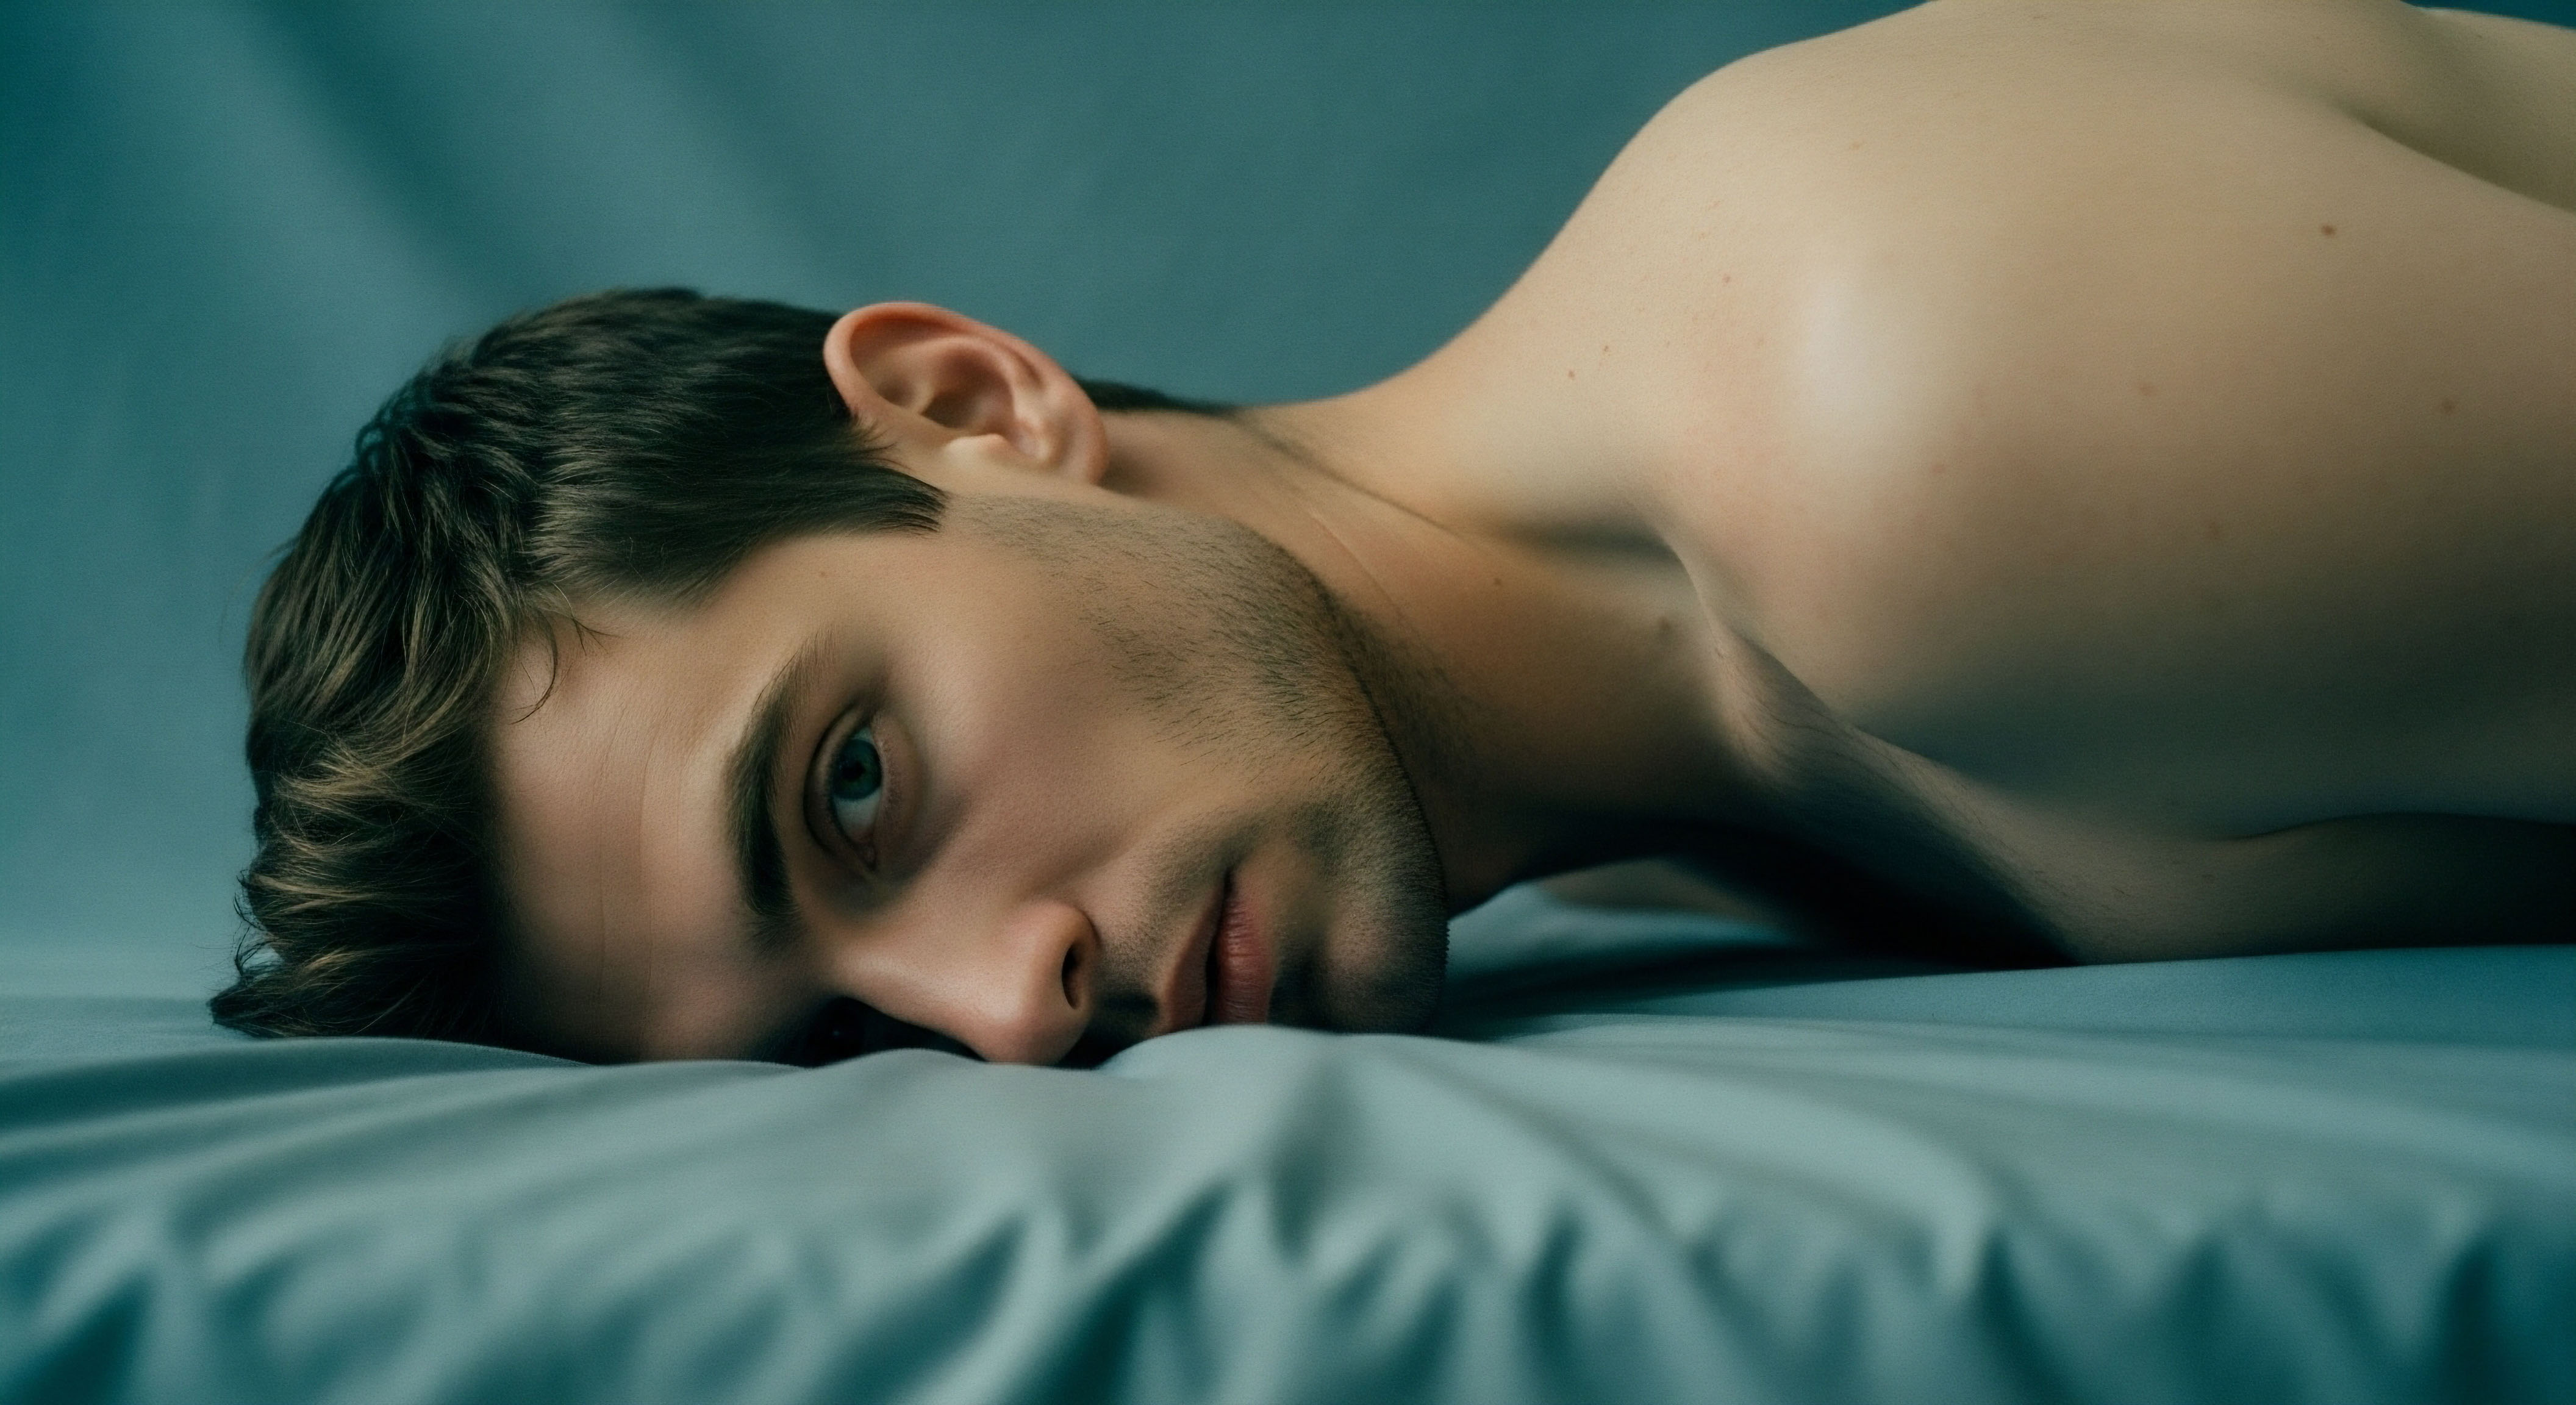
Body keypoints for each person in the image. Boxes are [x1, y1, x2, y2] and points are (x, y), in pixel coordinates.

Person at [218, 0, 2576, 1067]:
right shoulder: (1681, 822)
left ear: (972, 410)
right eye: (844, 1039)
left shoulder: (1907, 418)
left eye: (854, 785)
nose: (1005, 1015)